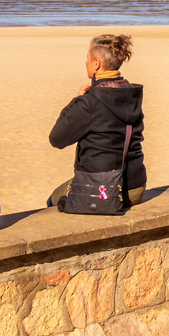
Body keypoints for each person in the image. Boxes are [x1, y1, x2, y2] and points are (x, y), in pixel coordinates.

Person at [48, 34, 146, 209]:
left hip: (104, 188)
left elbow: (56, 138)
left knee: (52, 200)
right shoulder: (132, 93)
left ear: (96, 64)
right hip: (135, 186)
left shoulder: (90, 102)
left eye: (87, 58)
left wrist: (75, 101)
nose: (85, 62)